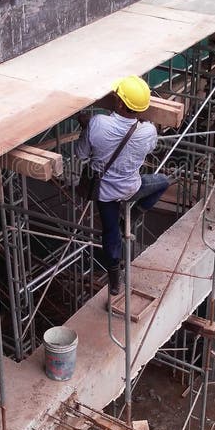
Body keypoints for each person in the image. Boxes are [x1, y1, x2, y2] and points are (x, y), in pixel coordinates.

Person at [76, 76, 170, 296]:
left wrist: (85, 128)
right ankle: (135, 213)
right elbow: (148, 147)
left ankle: (114, 281)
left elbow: (80, 154)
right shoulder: (148, 131)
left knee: (110, 233)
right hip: (131, 189)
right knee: (163, 182)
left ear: (118, 103)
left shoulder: (97, 123)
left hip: (105, 193)